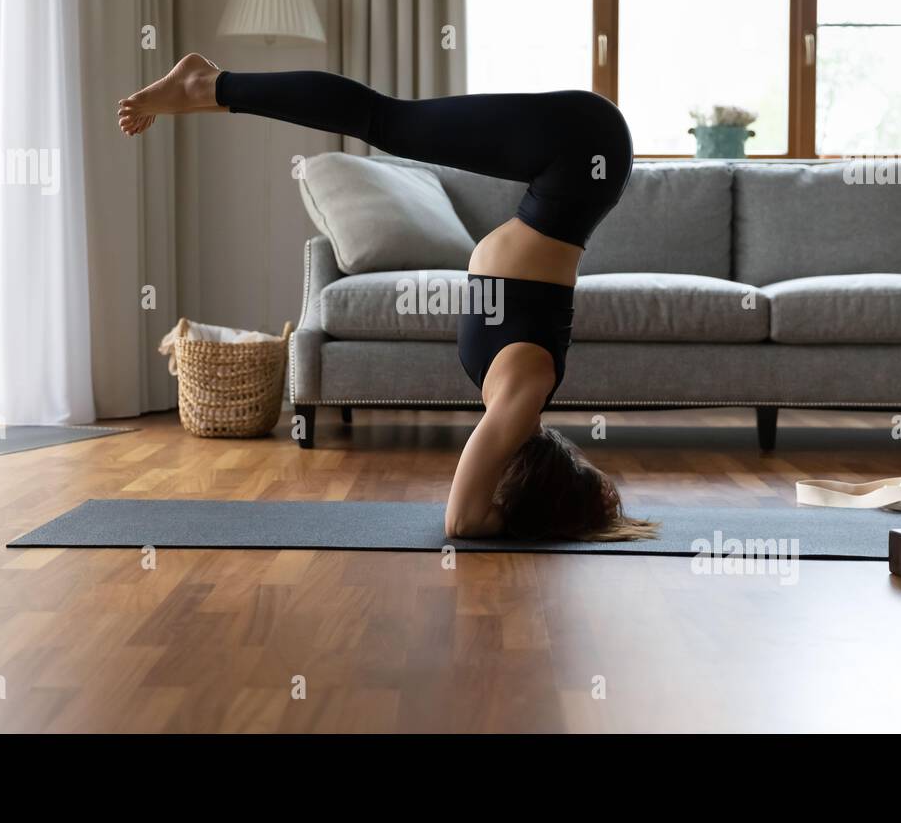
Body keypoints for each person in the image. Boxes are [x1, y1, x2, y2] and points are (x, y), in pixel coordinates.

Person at [119, 55, 658, 542]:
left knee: (387, 122)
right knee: (385, 122)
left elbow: (466, 511)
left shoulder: (513, 395)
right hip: (584, 150)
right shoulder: (524, 394)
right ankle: (207, 85)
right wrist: (516, 524)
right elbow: (464, 522)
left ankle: (212, 87)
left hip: (581, 160)